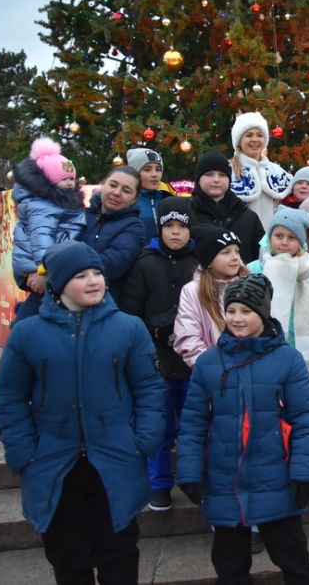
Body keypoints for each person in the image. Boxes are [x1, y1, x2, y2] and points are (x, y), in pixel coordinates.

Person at [0, 241, 164, 584]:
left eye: (97, 273)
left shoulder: (129, 328)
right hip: (53, 460)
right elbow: (11, 397)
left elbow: (149, 388)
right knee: (68, 557)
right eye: (81, 275)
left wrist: (144, 440)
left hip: (117, 457)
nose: (93, 281)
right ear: (58, 283)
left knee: (119, 553)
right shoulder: (27, 333)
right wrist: (23, 452)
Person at [176, 274, 309, 584]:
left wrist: (303, 472)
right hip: (225, 479)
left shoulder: (287, 360)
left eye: (246, 311)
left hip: (275, 478)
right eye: (232, 311)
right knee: (230, 567)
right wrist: (188, 472)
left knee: (293, 559)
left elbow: (306, 420)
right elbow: (193, 422)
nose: (237, 319)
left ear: (264, 313)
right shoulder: (209, 363)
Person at [120, 197, 199, 512]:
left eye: (182, 226)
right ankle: (159, 484)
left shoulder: (200, 262)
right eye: (170, 226)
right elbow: (131, 310)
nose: (176, 233)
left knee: (195, 427)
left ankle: (196, 480)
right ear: (160, 227)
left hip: (194, 361)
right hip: (157, 362)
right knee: (159, 428)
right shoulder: (145, 262)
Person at [248, 206, 309, 416]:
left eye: (292, 237)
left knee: (298, 407)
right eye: (279, 235)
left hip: (299, 346)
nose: (284, 242)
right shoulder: (255, 269)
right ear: (269, 237)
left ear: (301, 242)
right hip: (262, 345)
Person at [12, 137, 88, 320]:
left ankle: (24, 316)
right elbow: (41, 238)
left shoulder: (58, 202)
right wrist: (45, 269)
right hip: (43, 266)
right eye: (64, 179)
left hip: (50, 263)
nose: (71, 183)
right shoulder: (43, 206)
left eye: (72, 179)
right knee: (45, 307)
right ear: (48, 181)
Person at [173, 225, 250, 369]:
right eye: (226, 252)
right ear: (208, 260)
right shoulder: (192, 291)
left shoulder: (251, 285)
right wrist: (215, 369)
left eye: (237, 251)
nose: (235, 258)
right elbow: (188, 338)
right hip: (215, 376)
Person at [189, 150, 265, 264]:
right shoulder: (186, 213)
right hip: (200, 280)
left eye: (222, 175)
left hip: (241, 280)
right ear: (199, 180)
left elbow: (262, 257)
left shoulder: (248, 217)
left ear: (229, 180)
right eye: (209, 174)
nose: (216, 180)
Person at [84, 166, 146, 302]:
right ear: (103, 185)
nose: (117, 193)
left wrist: (63, 265)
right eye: (113, 185)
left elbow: (112, 264)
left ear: (134, 199)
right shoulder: (81, 216)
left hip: (102, 302)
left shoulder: (134, 227)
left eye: (126, 191)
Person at [229, 111, 294, 227]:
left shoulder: (276, 172)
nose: (255, 139)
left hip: (272, 241)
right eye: (249, 135)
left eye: (259, 135)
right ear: (239, 140)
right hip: (240, 240)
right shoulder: (229, 172)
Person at [126, 147, 175, 242]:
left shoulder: (169, 200)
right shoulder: (127, 201)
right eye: (147, 169)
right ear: (134, 173)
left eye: (158, 169)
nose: (155, 174)